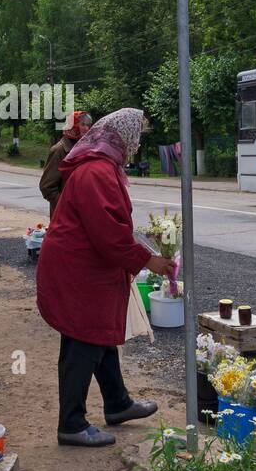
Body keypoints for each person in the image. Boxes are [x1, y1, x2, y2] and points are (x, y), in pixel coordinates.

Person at [36, 108, 174, 447]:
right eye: (135, 138)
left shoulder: (100, 167)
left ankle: (117, 403)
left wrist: (139, 248)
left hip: (82, 267)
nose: (137, 146)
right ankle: (71, 424)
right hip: (80, 270)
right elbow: (109, 234)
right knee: (85, 341)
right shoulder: (97, 172)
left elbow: (110, 227)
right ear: (120, 137)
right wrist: (147, 260)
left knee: (97, 336)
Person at [39, 109, 92, 217]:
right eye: (82, 124)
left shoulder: (84, 148)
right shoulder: (60, 150)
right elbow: (47, 186)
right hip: (65, 216)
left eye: (88, 125)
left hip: (82, 212)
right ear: (72, 125)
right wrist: (65, 205)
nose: (86, 128)